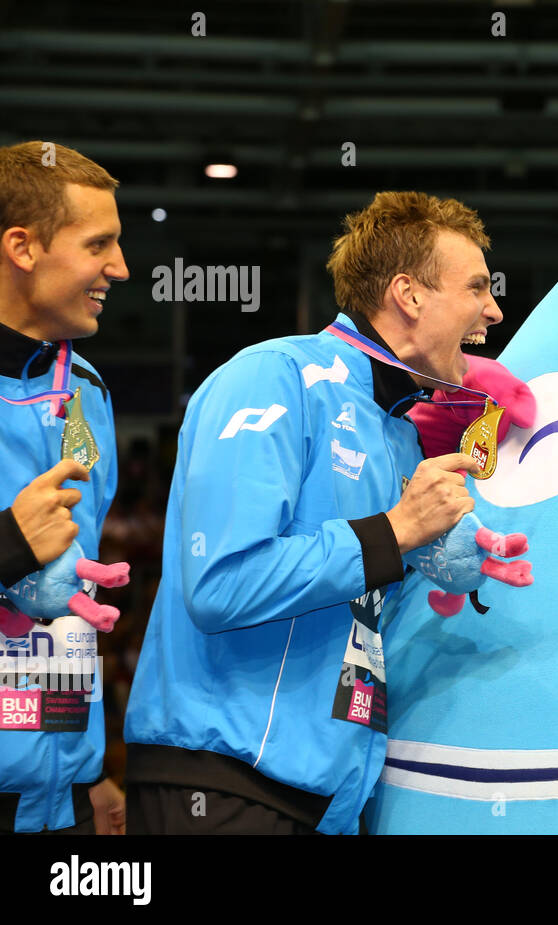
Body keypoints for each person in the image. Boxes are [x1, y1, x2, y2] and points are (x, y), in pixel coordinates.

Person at [124, 191, 505, 834]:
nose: (492, 309)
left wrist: (440, 561)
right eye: (476, 287)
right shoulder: (272, 376)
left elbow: (358, 599)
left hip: (330, 801)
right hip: (223, 785)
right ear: (409, 295)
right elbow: (220, 583)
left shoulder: (399, 433)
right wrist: (394, 532)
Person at [0, 140, 129, 834]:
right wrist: (7, 543)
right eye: (98, 244)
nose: (121, 267)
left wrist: (88, 770)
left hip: (63, 797)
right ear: (23, 247)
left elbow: (77, 594)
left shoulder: (88, 389)